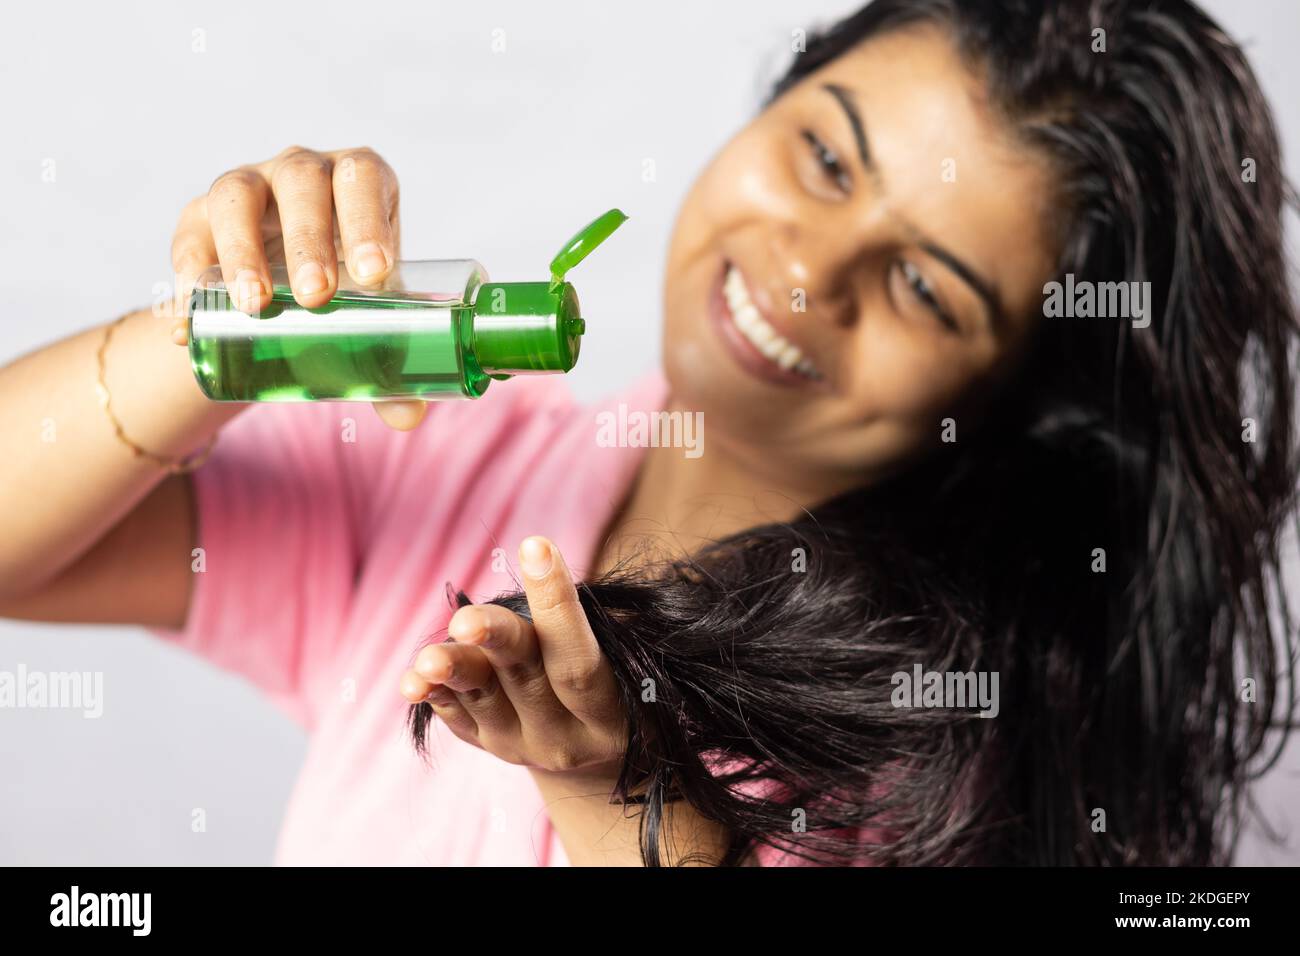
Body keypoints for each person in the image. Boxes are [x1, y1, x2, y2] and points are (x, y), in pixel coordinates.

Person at [2, 0, 1295, 866]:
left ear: (1012, 397)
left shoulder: (946, 738)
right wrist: (218, 339)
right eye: (826, 162)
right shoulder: (453, 462)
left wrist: (623, 793)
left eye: (922, 286)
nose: (804, 274)